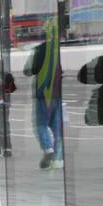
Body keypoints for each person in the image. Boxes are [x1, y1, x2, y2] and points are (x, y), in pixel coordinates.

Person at [24, 18, 63, 170]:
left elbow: (29, 70)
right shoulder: (59, 49)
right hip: (57, 92)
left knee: (40, 124)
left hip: (42, 93)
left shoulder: (40, 49)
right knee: (56, 125)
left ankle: (48, 149)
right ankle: (58, 157)